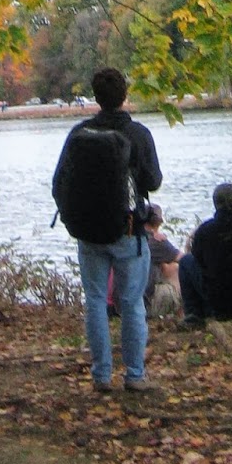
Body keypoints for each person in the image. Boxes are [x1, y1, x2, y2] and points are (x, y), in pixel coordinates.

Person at [52, 66, 162, 393]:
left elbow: (59, 182)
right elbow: (153, 182)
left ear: (96, 97)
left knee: (96, 302)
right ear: (124, 95)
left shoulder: (79, 133)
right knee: (131, 304)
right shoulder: (139, 134)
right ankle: (135, 375)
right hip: (128, 232)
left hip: (88, 232)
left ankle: (101, 376)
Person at [178, 183, 232, 328]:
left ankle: (194, 314)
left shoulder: (205, 230)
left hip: (217, 298)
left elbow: (197, 259)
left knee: (186, 261)